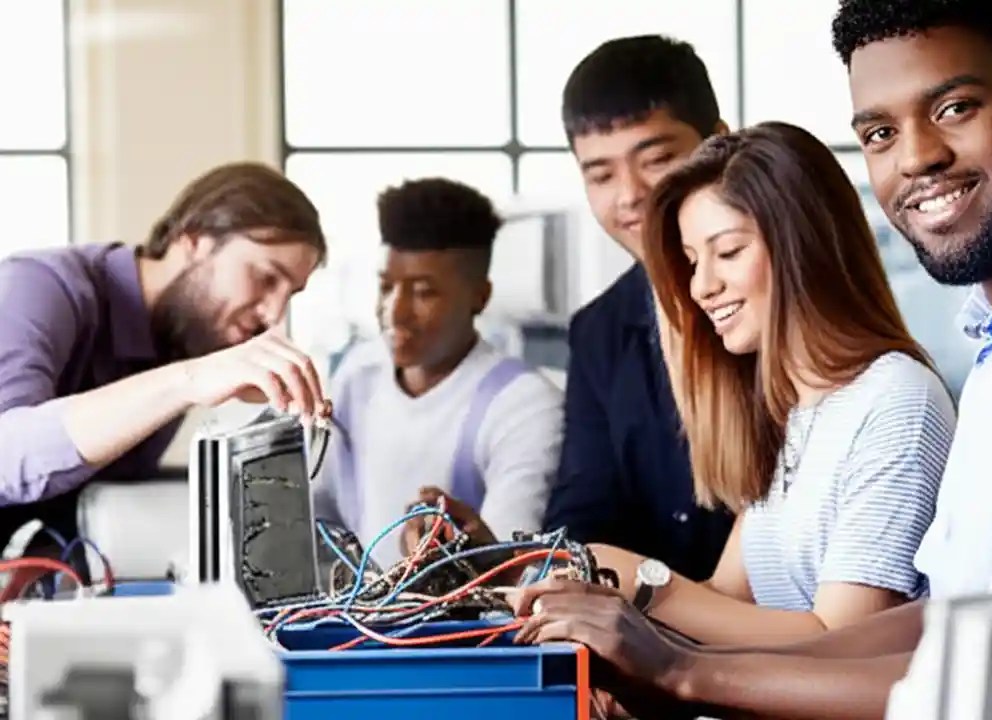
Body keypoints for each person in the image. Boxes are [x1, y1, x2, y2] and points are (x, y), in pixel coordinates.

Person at [507, 2, 992, 718]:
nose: (917, 159)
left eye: (955, 108)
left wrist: (683, 667)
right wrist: (665, 663)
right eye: (878, 134)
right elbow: (950, 621)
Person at [524, 122, 956, 649]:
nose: (702, 287)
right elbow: (726, 597)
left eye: (727, 252)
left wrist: (643, 585)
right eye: (691, 262)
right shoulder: (795, 409)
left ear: (805, 244)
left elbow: (842, 642)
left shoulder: (896, 401)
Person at [403, 35, 737, 582]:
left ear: (719, 146)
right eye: (601, 174)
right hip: (643, 642)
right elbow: (585, 519)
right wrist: (503, 563)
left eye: (657, 159)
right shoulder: (599, 331)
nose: (631, 194)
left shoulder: (773, 303)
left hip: (782, 636)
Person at [0, 162, 329, 549]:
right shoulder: (38, 285)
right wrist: (187, 380)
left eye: (290, 294)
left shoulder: (183, 334)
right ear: (193, 242)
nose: (274, 314)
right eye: (265, 277)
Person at [311, 178, 563, 570]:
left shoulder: (522, 402)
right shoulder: (357, 375)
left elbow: (507, 562)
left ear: (480, 297)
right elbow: (317, 509)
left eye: (424, 292)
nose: (395, 312)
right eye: (387, 286)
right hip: (356, 617)